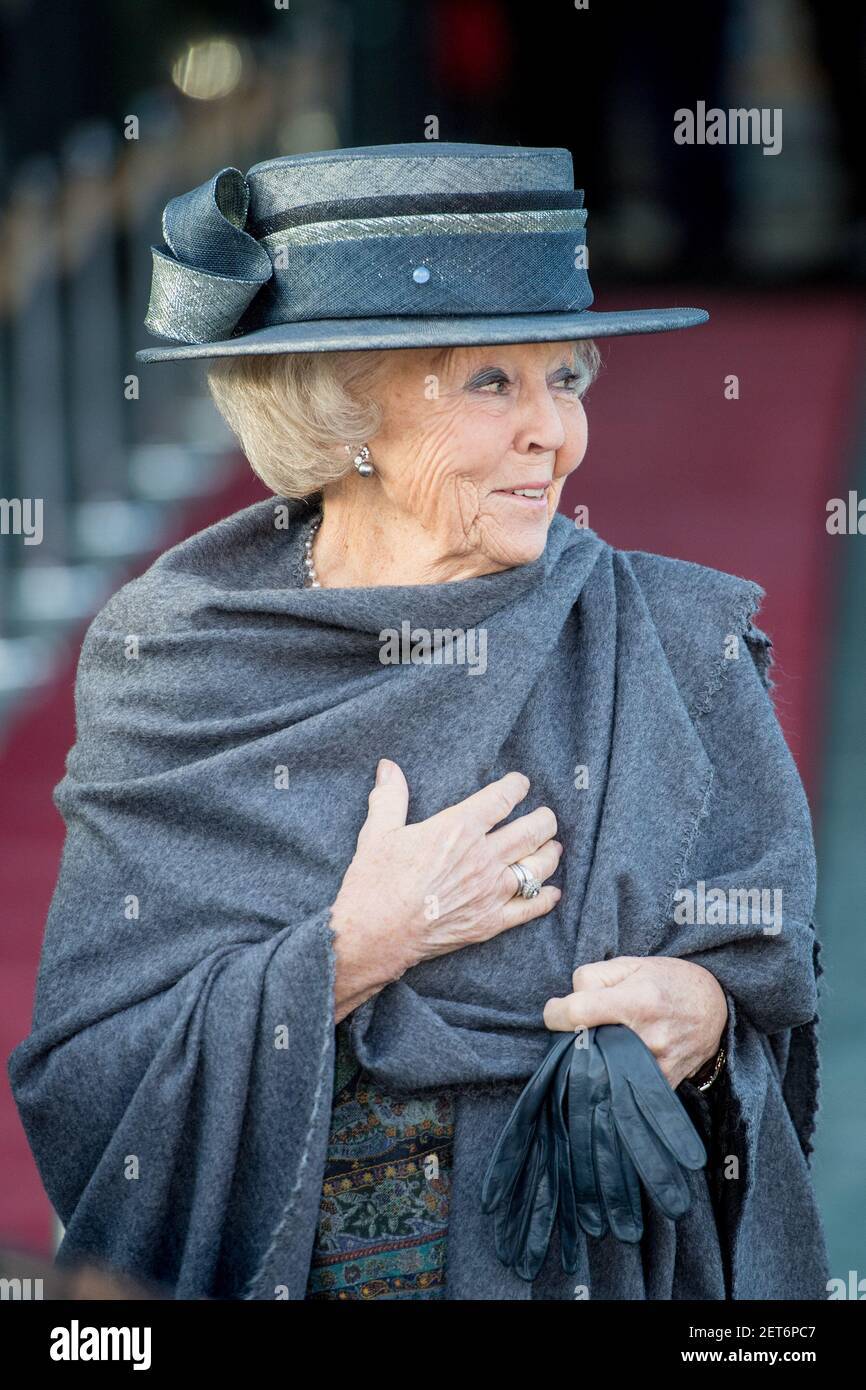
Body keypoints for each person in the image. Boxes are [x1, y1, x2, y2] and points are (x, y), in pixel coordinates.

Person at [7, 142, 829, 1301]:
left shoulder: (675, 636)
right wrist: (358, 947)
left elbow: (767, 969)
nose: (553, 431)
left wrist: (700, 1017)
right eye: (491, 382)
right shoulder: (177, 658)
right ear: (343, 412)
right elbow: (93, 1076)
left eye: (565, 378)